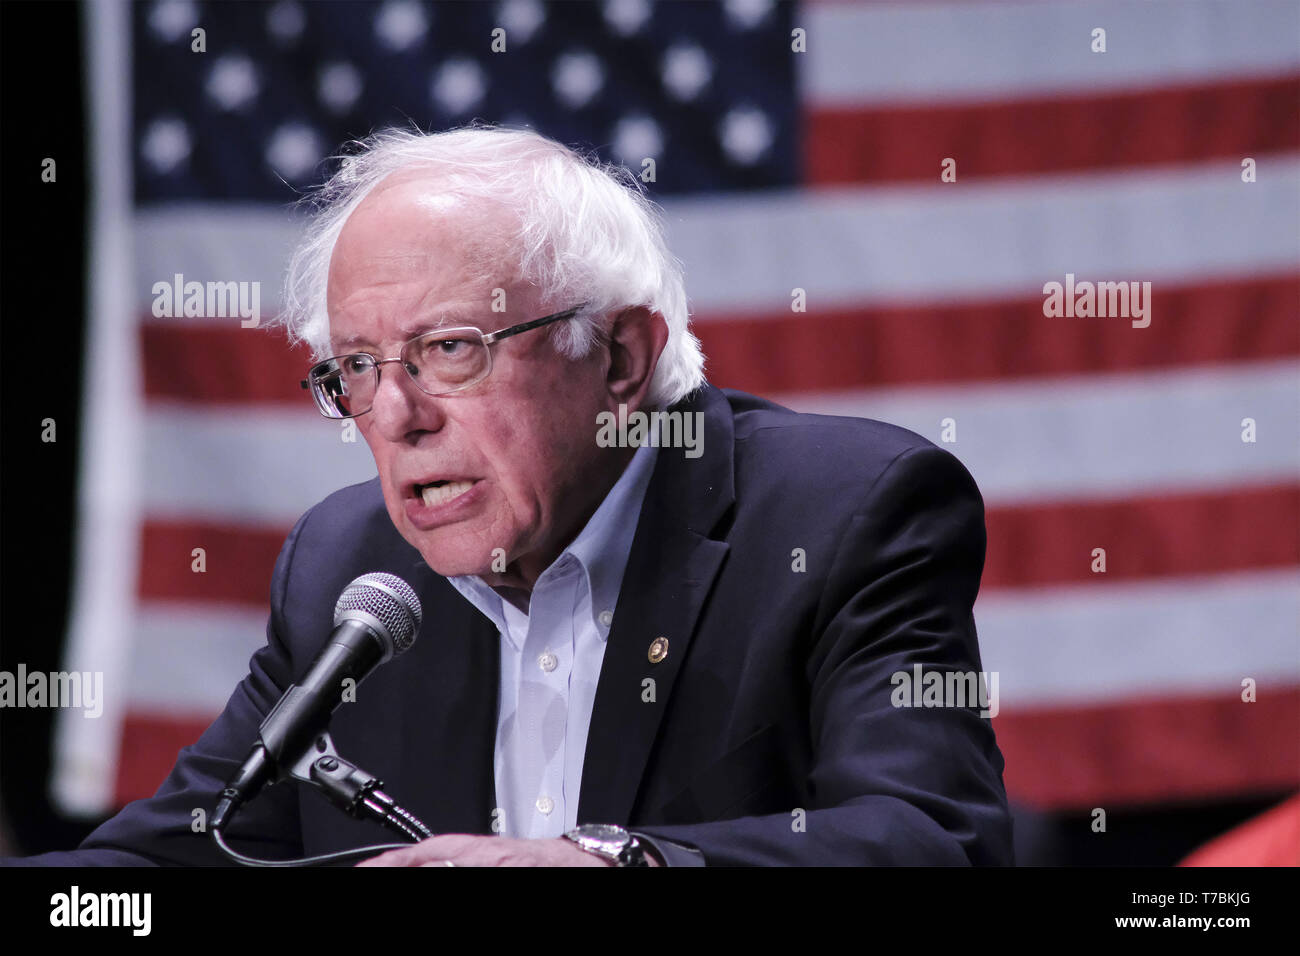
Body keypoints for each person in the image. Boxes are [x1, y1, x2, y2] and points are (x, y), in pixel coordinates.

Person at [10, 126, 1012, 866]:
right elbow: (157, 863)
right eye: (355, 366)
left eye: (450, 349)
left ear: (619, 355)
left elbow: (933, 838)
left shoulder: (841, 515)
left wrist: (606, 863)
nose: (395, 415)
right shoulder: (348, 565)